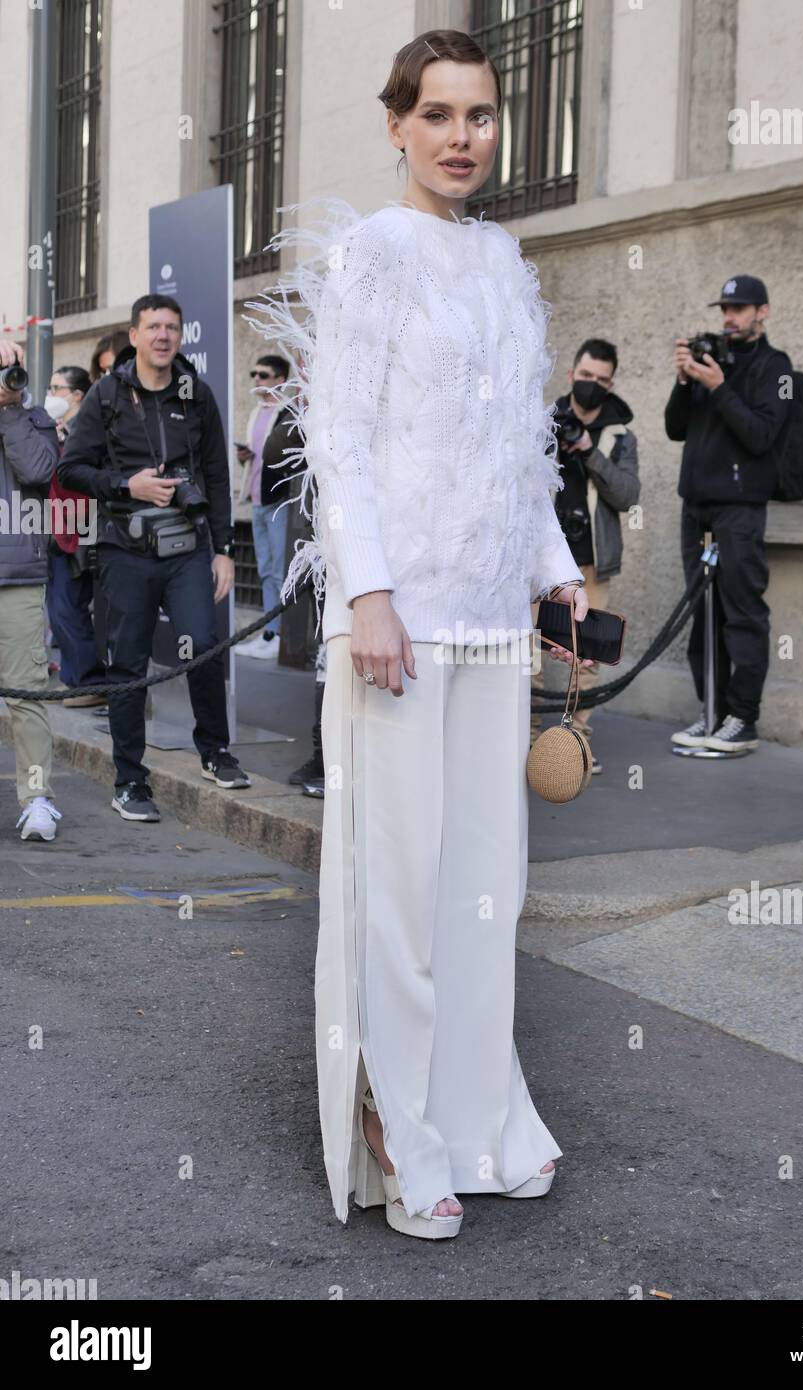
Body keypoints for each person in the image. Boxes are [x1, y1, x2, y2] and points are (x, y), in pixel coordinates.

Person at [247, 28, 594, 1240]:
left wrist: (557, 572)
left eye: (481, 115)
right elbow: (335, 437)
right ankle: (396, 1123)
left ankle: (485, 1119)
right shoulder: (376, 253)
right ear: (397, 124)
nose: (462, 137)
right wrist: (369, 595)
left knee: (484, 887)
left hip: (494, 617)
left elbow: (519, 448)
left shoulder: (502, 260)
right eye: (438, 114)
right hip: (401, 619)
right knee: (399, 885)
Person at [58, 294, 251, 821]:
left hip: (188, 549)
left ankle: (215, 751)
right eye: (154, 327)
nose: (163, 336)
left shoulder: (197, 395)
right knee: (127, 661)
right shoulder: (106, 395)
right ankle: (130, 781)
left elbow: (215, 474)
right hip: (126, 551)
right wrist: (128, 485)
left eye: (172, 327)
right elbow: (71, 469)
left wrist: (226, 551)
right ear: (135, 335)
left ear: (180, 335)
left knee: (204, 646)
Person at [664, 275, 792, 753]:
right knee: (704, 614)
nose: (730, 318)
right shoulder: (710, 360)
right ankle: (712, 713)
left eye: (740, 309)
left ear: (763, 311)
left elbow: (762, 436)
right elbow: (675, 428)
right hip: (695, 508)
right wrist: (685, 380)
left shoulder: (778, 369)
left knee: (742, 614)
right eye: (725, 309)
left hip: (739, 511)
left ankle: (743, 718)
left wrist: (719, 388)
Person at [530, 339, 639, 772]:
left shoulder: (618, 435)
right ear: (573, 372)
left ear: (610, 384)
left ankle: (577, 746)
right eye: (586, 375)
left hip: (591, 559)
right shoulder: (545, 421)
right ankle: (531, 741)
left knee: (586, 655)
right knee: (531, 654)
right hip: (540, 562)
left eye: (601, 380)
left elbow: (628, 494)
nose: (591, 384)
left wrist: (590, 452)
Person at [0, 339, 63, 841]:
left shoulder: (31, 417)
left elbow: (40, 470)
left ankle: (37, 798)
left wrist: (10, 411)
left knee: (26, 696)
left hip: (16, 575)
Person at [44, 366, 107, 708]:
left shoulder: (88, 427)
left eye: (57, 388)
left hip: (80, 528)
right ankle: (74, 677)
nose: (50, 394)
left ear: (77, 395)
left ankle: (89, 681)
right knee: (59, 608)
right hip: (56, 528)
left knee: (68, 606)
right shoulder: (60, 429)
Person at [235, 354, 293, 660]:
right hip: (256, 499)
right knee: (264, 570)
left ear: (280, 380)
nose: (256, 379)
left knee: (278, 572)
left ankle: (279, 635)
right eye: (254, 373)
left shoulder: (288, 413)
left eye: (264, 374)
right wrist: (242, 456)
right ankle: (269, 631)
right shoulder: (257, 412)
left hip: (278, 499)